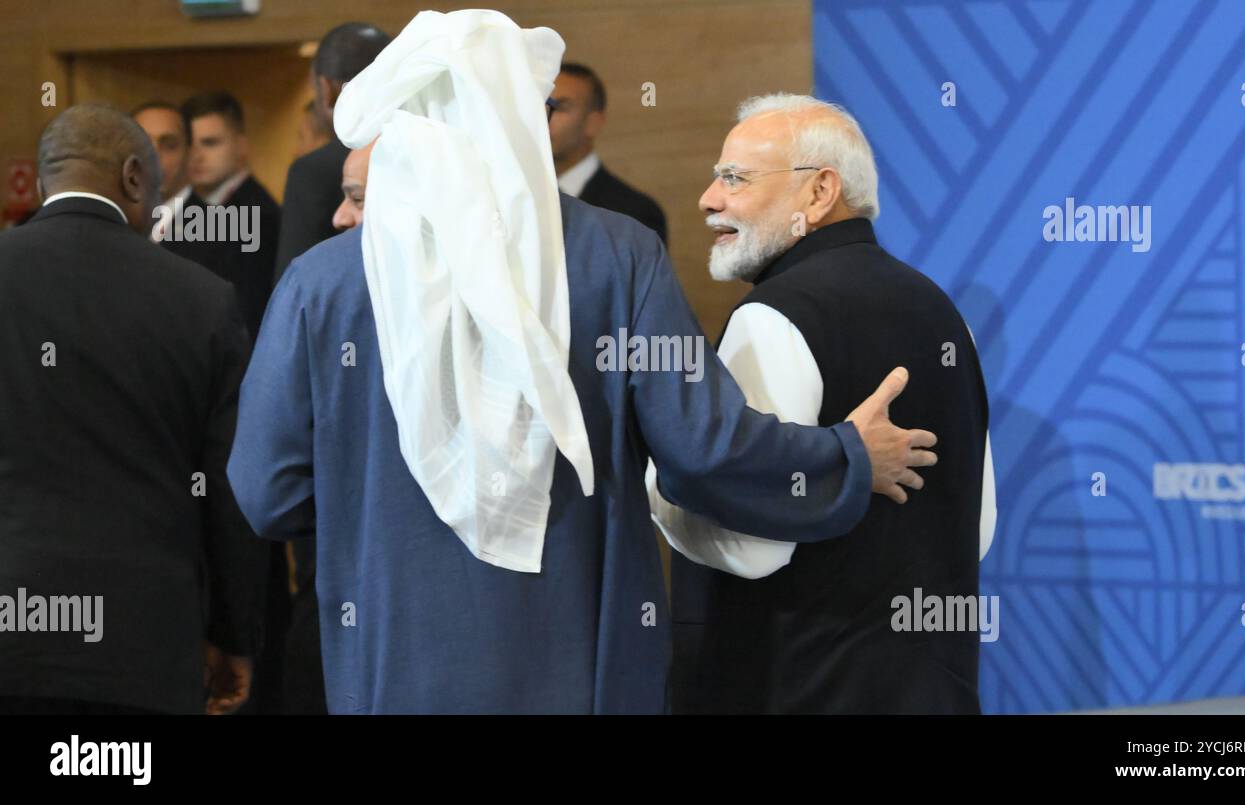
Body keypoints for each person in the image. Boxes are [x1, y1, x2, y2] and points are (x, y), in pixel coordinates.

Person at [226, 10, 936, 714]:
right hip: (578, 664)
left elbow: (267, 490)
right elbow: (703, 448)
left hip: (393, 663)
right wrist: (845, 456)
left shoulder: (320, 284)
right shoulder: (619, 255)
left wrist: (380, 503)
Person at [650, 93, 993, 714]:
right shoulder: (945, 312)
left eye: (734, 178)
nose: (709, 199)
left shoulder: (770, 318)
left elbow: (753, 551)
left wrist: (656, 480)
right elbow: (978, 525)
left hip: (794, 685)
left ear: (819, 192)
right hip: (936, 689)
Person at [0, 104, 265, 715]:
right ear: (133, 178)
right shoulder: (202, 301)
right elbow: (229, 489)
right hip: (143, 640)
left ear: (46, 185)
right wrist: (232, 635)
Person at [273, 21, 390, 284]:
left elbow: (293, 283)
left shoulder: (311, 172)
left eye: (356, 199)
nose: (342, 216)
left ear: (325, 89)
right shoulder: (424, 154)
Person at [165, 90, 281, 341]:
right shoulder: (186, 209)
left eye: (210, 143)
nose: (196, 155)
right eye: (189, 143)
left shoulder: (261, 217)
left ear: (241, 146)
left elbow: (251, 314)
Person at [549, 62, 667, 244]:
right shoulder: (515, 197)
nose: (544, 116)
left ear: (593, 122)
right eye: (539, 104)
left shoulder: (634, 212)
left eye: (560, 107)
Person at [131, 100, 191, 241]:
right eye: (142, 144)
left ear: (189, 153)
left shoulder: (222, 232)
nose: (154, 157)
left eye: (169, 145)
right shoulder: (107, 223)